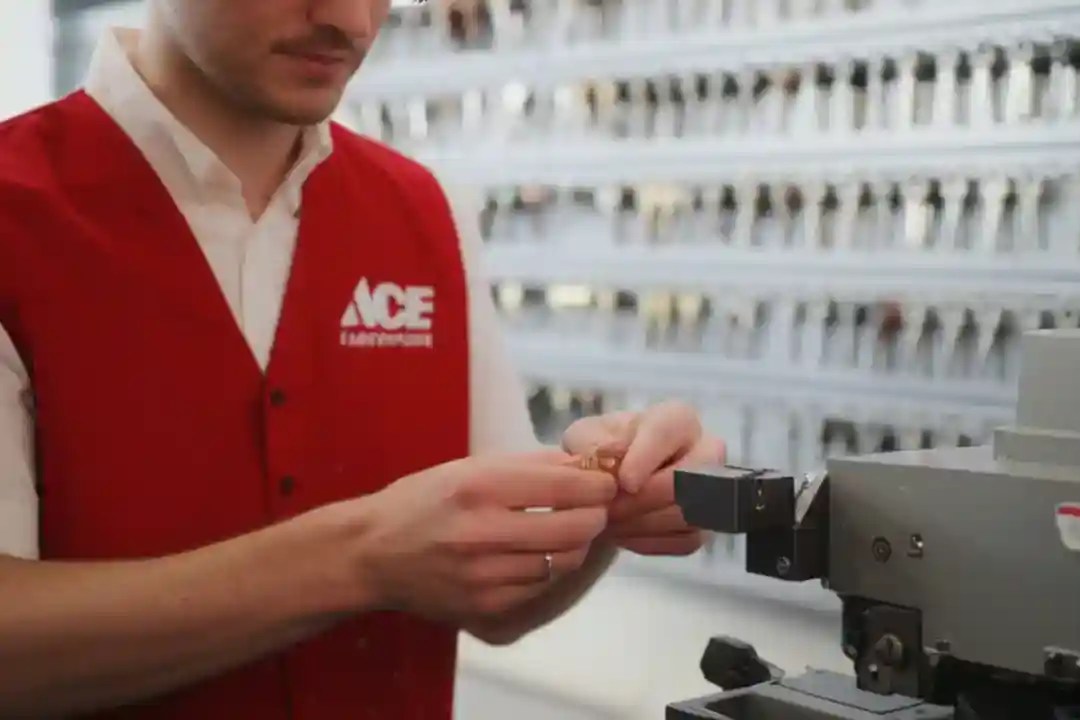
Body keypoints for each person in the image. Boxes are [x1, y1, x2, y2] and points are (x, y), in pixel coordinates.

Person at [0, 1, 725, 718]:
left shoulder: (422, 210)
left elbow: (499, 603)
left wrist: (614, 505)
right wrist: (362, 560)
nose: (351, 21)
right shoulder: (16, 210)